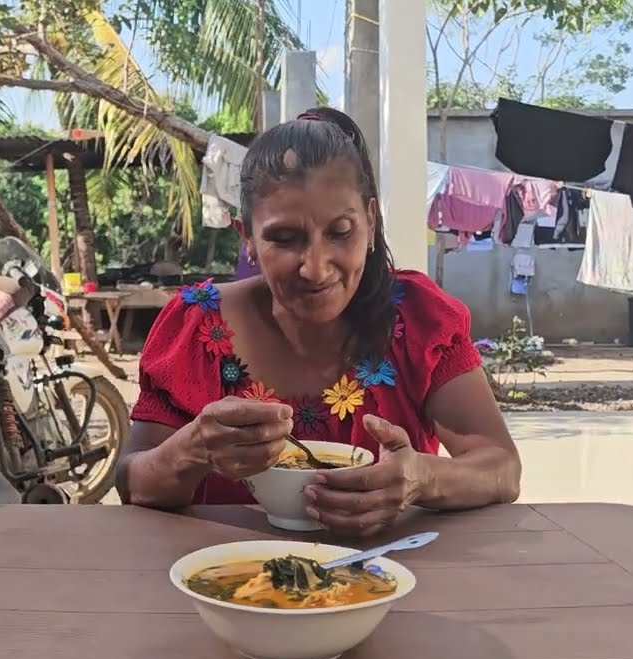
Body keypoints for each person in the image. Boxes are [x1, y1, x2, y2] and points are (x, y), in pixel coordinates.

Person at [115, 107, 521, 537]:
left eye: (341, 231)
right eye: (284, 239)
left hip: (384, 585)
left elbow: (501, 466)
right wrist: (191, 450)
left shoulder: (419, 321)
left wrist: (420, 478)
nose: (316, 267)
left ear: (370, 220)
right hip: (226, 589)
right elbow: (133, 483)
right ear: (247, 238)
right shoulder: (197, 326)